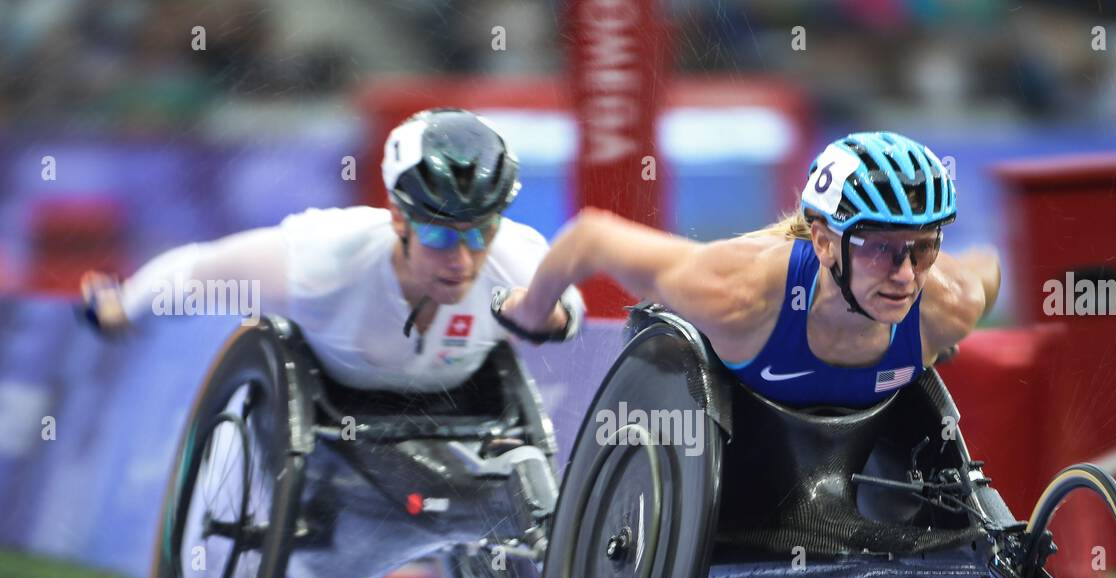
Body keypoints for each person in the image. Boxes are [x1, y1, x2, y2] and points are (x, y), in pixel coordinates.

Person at [80, 108, 585, 394]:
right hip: (326, 400)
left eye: (479, 234)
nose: (462, 259)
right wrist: (123, 308)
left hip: (456, 403)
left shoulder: (514, 256)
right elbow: (194, 273)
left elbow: (570, 310)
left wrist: (548, 319)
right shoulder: (322, 259)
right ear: (398, 219)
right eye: (439, 235)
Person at [494, 130, 999, 408]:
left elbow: (986, 267)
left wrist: (943, 336)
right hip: (728, 407)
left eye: (924, 248)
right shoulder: (736, 292)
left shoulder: (950, 302)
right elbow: (590, 237)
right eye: (881, 249)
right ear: (824, 242)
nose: (907, 275)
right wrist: (534, 311)